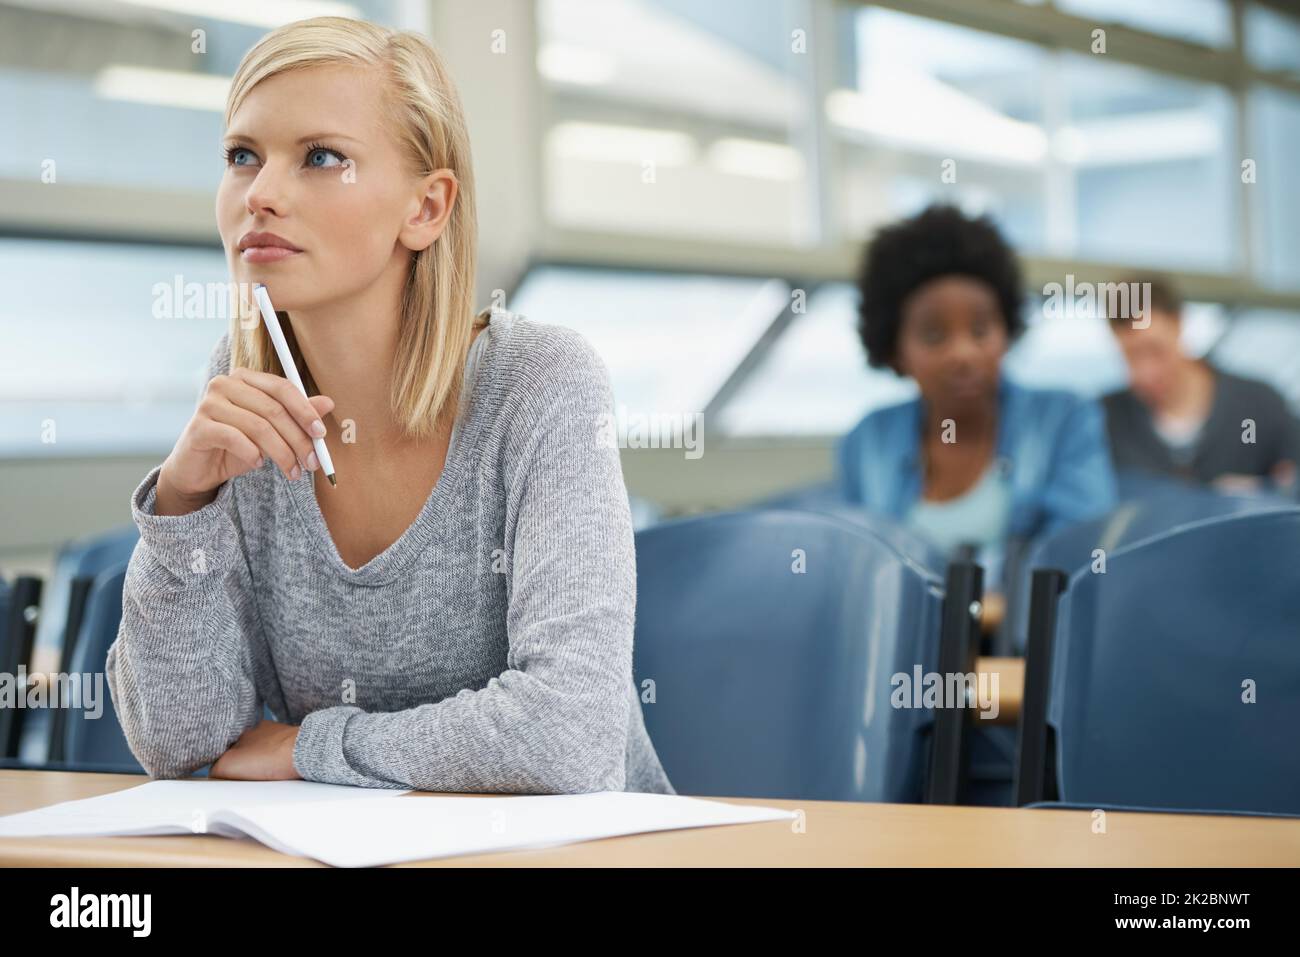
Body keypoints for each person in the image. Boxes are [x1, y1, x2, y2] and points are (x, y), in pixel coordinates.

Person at [105, 17, 674, 795]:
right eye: (243, 156)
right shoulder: (241, 399)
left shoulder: (541, 383)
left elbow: (568, 733)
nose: (261, 195)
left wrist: (312, 747)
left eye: (321, 157)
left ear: (427, 208)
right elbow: (180, 741)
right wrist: (181, 501)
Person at [835, 204, 1117, 624]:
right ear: (895, 351)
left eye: (981, 330)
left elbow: (1081, 564)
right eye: (934, 335)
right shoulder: (867, 440)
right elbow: (859, 577)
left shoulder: (1064, 419)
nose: (963, 354)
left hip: (1029, 658)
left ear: (1006, 332)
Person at [1103, 274, 1299, 496]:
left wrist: (1267, 491)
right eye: (1132, 356)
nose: (1147, 372)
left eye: (1155, 350)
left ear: (1179, 324)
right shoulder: (1105, 419)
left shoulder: (1259, 405)